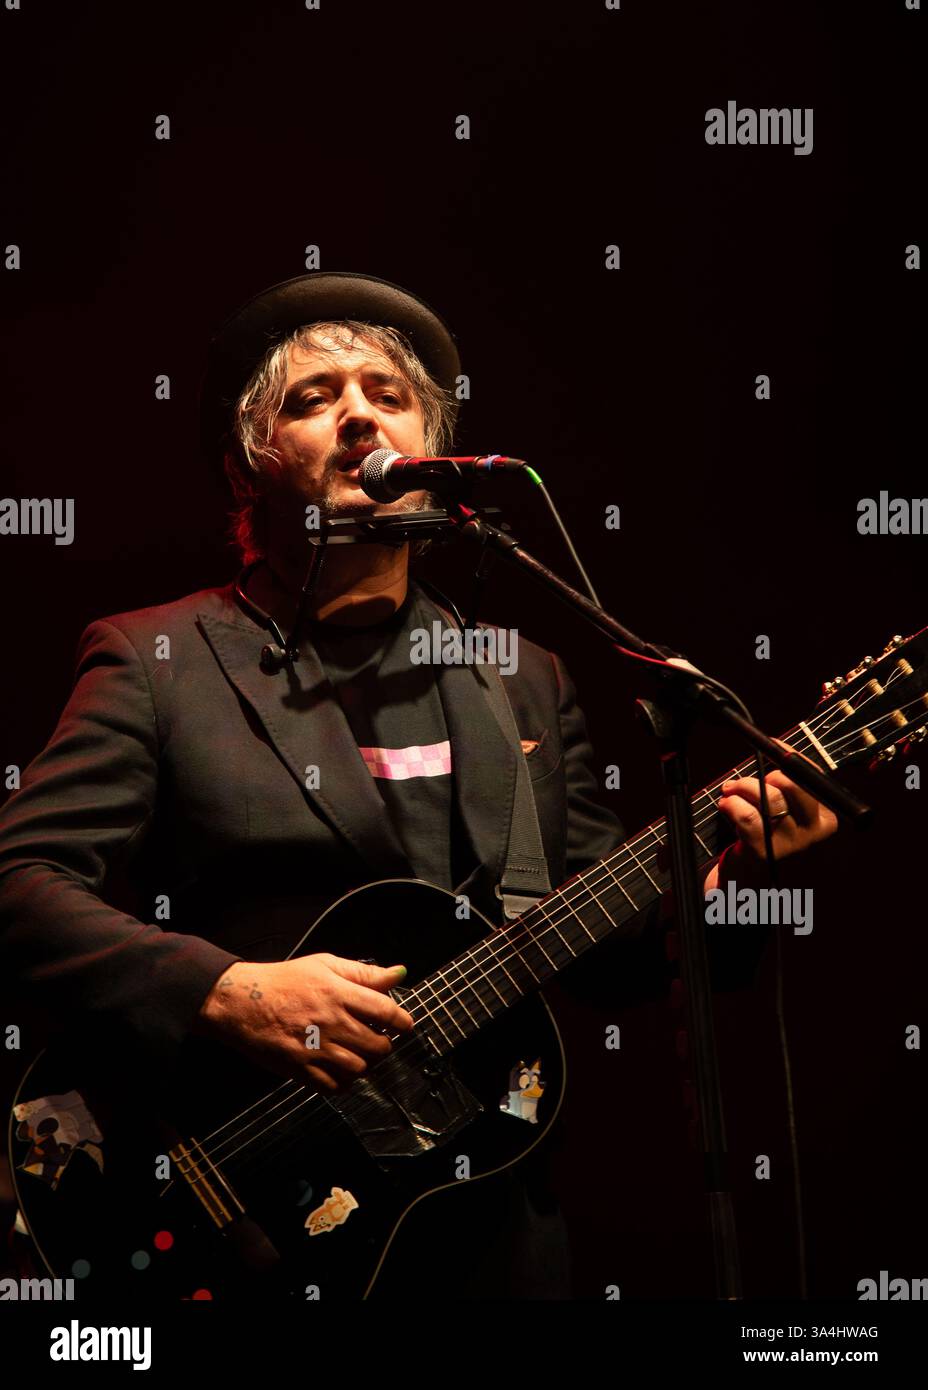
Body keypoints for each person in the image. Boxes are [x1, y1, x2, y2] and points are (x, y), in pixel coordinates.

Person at [0, 271, 838, 1299]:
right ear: (244, 469)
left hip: (483, 1231)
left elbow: (608, 947)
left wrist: (737, 872)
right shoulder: (156, 656)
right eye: (311, 399)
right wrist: (228, 990)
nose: (358, 413)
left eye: (388, 394)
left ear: (436, 455)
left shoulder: (517, 674)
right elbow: (22, 885)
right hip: (219, 1203)